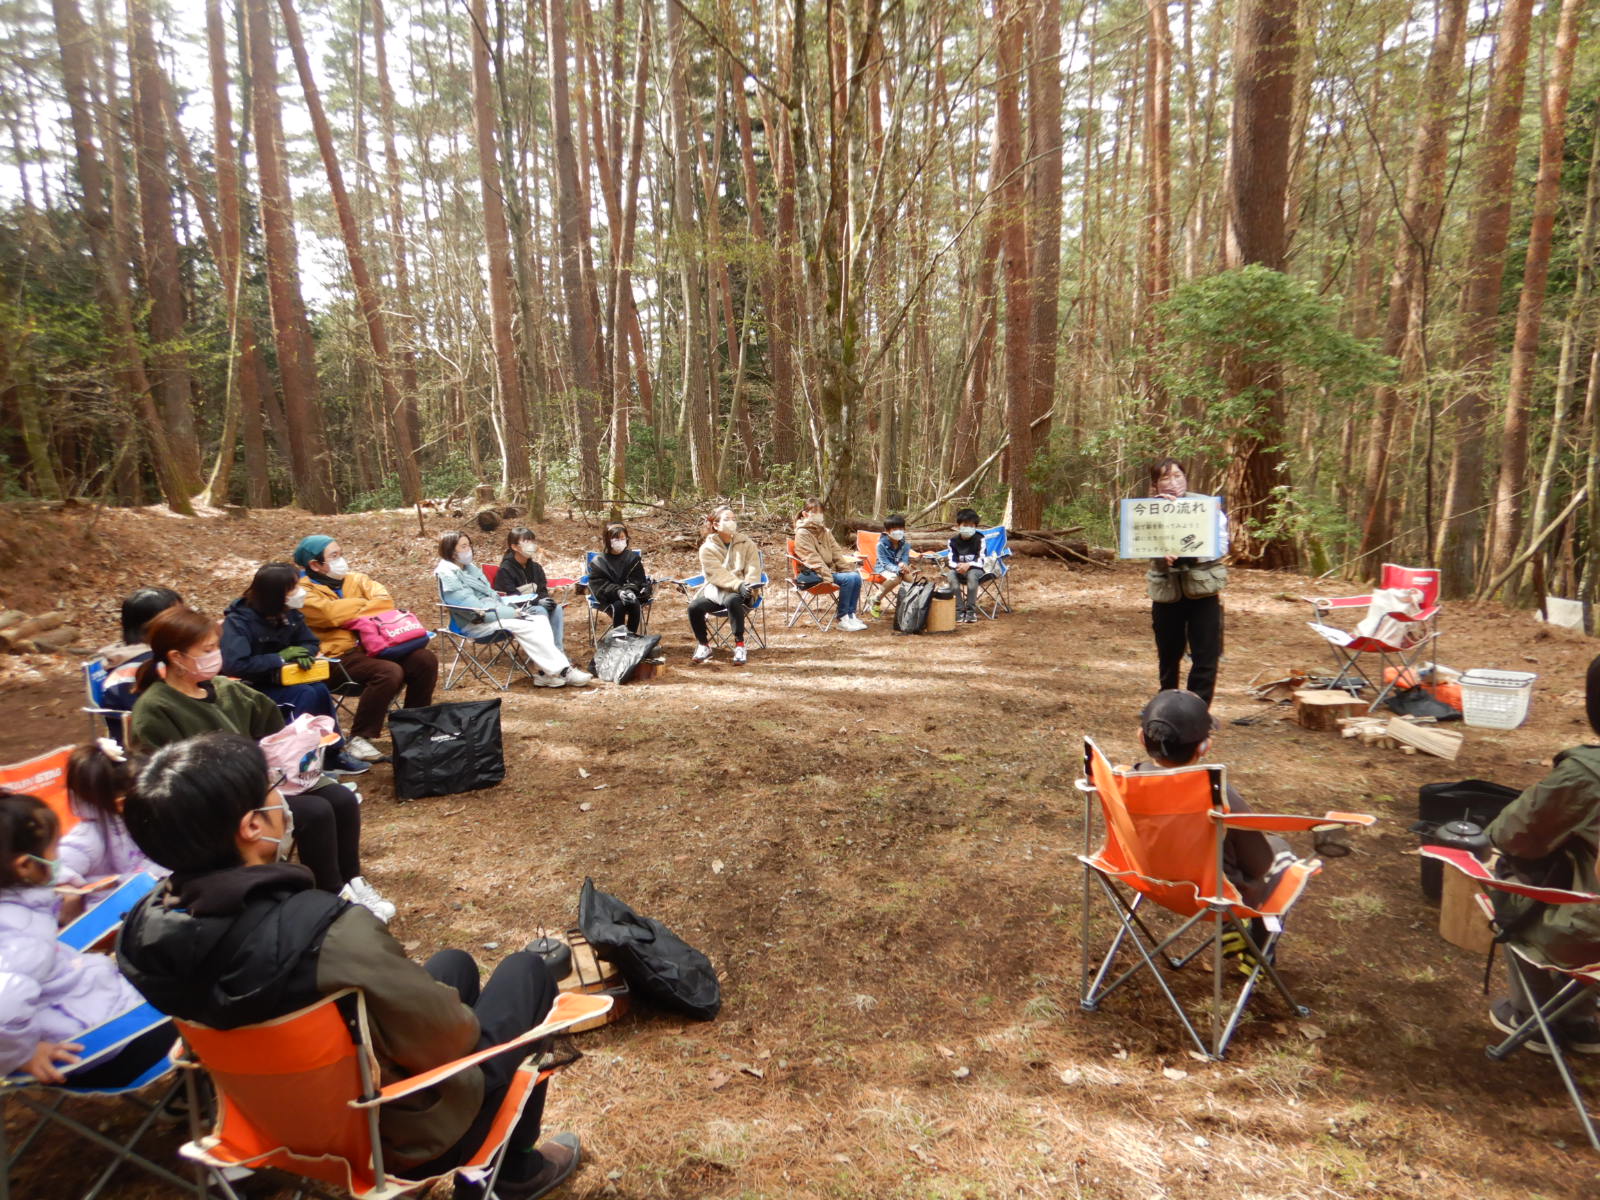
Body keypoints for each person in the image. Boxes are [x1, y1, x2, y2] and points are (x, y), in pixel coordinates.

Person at [116, 733, 584, 1199]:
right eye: (273, 785)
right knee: (527, 971)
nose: (283, 795)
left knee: (454, 964)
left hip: (265, 1127)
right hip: (393, 1138)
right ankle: (513, 1173)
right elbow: (453, 1038)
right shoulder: (325, 933)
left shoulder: (145, 934)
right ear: (252, 827)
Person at [128, 606, 393, 921]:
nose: (217, 655)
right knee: (315, 812)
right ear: (177, 657)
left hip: (259, 781)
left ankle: (353, 880)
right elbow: (166, 779)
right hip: (213, 803)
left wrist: (294, 742)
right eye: (208, 650)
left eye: (217, 647)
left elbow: (271, 724)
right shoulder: (156, 709)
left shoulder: (225, 689)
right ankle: (331, 900)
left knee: (341, 798)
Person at [0, 791, 173, 1088]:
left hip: (77, 1008)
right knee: (207, 1005)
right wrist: (21, 1054)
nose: (59, 856)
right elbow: (5, 1003)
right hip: (105, 1046)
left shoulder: (18, 911)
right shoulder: (21, 939)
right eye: (53, 848)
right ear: (25, 866)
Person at [1482, 653, 1600, 1054]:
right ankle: (1580, 1020)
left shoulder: (1587, 774)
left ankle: (1538, 1018)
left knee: (1511, 879)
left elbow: (1512, 834)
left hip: (1589, 939)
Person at [294, 535, 439, 761]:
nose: (341, 560)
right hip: (337, 657)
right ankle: (360, 738)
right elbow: (327, 614)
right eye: (334, 556)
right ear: (315, 564)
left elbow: (385, 602)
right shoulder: (302, 591)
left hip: (379, 647)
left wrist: (345, 611)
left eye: (341, 553)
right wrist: (364, 607)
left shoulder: (356, 579)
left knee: (424, 659)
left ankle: (414, 727)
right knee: (388, 671)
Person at [221, 562, 369, 777]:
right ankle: (300, 759)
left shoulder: (290, 614)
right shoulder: (239, 621)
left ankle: (331, 753)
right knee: (304, 694)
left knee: (318, 689)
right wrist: (279, 658)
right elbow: (235, 664)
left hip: (290, 678)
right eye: (293, 589)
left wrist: (303, 653)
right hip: (255, 686)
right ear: (274, 594)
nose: (299, 593)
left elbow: (310, 641)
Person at [435, 532, 592, 689]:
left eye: (469, 545)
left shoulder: (471, 569)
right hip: (474, 624)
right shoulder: (448, 575)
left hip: (495, 613)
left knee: (539, 619)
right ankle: (564, 671)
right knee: (527, 623)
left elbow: (493, 596)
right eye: (463, 546)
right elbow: (474, 611)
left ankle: (545, 674)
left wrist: (508, 609)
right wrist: (513, 612)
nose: (468, 549)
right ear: (450, 550)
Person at [1144, 457, 1227, 706]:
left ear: (1186, 478)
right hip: (1166, 591)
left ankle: (1198, 708)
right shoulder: (1145, 510)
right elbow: (1137, 543)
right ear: (1155, 485)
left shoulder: (1206, 506)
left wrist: (1192, 552)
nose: (1172, 483)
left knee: (1205, 653)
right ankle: (1167, 706)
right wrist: (1161, 545)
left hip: (1202, 590)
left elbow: (1221, 544)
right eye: (1165, 478)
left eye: (1178, 476)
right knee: (1168, 654)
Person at [58, 739, 169, 904]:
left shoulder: (139, 820)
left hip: (147, 900)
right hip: (113, 916)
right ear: (121, 804)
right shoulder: (87, 839)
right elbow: (54, 876)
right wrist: (72, 900)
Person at [688, 506, 763, 666]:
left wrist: (749, 586)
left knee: (732, 600)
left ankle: (740, 645)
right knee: (694, 607)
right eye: (727, 519)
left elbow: (753, 567)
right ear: (715, 525)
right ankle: (704, 645)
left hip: (743, 591)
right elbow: (715, 573)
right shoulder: (707, 548)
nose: (732, 522)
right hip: (716, 591)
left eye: (734, 519)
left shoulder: (746, 543)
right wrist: (737, 584)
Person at [97, 586, 184, 722]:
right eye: (178, 617)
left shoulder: (157, 654)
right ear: (153, 626)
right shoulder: (136, 672)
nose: (187, 622)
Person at [793, 498, 865, 631]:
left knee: (855, 576)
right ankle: (842, 618)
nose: (819, 515)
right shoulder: (802, 533)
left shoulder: (825, 532)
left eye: (821, 512)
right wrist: (828, 577)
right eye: (815, 512)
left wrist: (846, 570)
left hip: (828, 571)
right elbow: (812, 559)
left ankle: (851, 615)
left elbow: (837, 553)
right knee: (849, 579)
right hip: (815, 573)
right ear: (805, 514)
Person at [496, 526, 567, 648]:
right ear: (514, 547)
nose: (532, 545)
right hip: (516, 610)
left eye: (533, 541)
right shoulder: (505, 570)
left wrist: (545, 600)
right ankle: (543, 651)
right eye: (527, 542)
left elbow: (542, 590)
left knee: (557, 608)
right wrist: (537, 602)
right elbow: (510, 597)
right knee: (540, 610)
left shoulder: (536, 568)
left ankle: (557, 650)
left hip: (535, 605)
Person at [586, 523, 653, 635]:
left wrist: (630, 591)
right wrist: (618, 592)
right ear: (608, 540)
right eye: (616, 539)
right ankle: (619, 639)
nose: (620, 541)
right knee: (619, 605)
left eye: (623, 538)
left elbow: (638, 580)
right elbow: (599, 586)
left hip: (632, 594)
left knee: (634, 602)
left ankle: (631, 636)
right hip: (609, 597)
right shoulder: (599, 562)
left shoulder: (632, 558)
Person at [866, 515, 928, 619]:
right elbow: (884, 563)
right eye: (895, 529)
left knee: (909, 578)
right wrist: (898, 569)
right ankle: (875, 599)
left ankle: (908, 604)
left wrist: (903, 565)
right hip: (882, 569)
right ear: (887, 531)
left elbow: (904, 559)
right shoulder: (880, 545)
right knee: (895, 578)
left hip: (897, 568)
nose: (898, 531)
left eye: (900, 529)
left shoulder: (905, 545)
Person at [944, 508, 990, 624]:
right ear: (959, 525)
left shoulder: (980, 539)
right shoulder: (952, 541)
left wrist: (968, 565)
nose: (968, 528)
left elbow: (981, 560)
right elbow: (951, 561)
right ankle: (959, 611)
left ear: (975, 526)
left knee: (972, 574)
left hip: (977, 571)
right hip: (958, 570)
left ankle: (970, 612)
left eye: (971, 525)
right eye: (965, 525)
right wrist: (959, 567)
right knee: (950, 575)